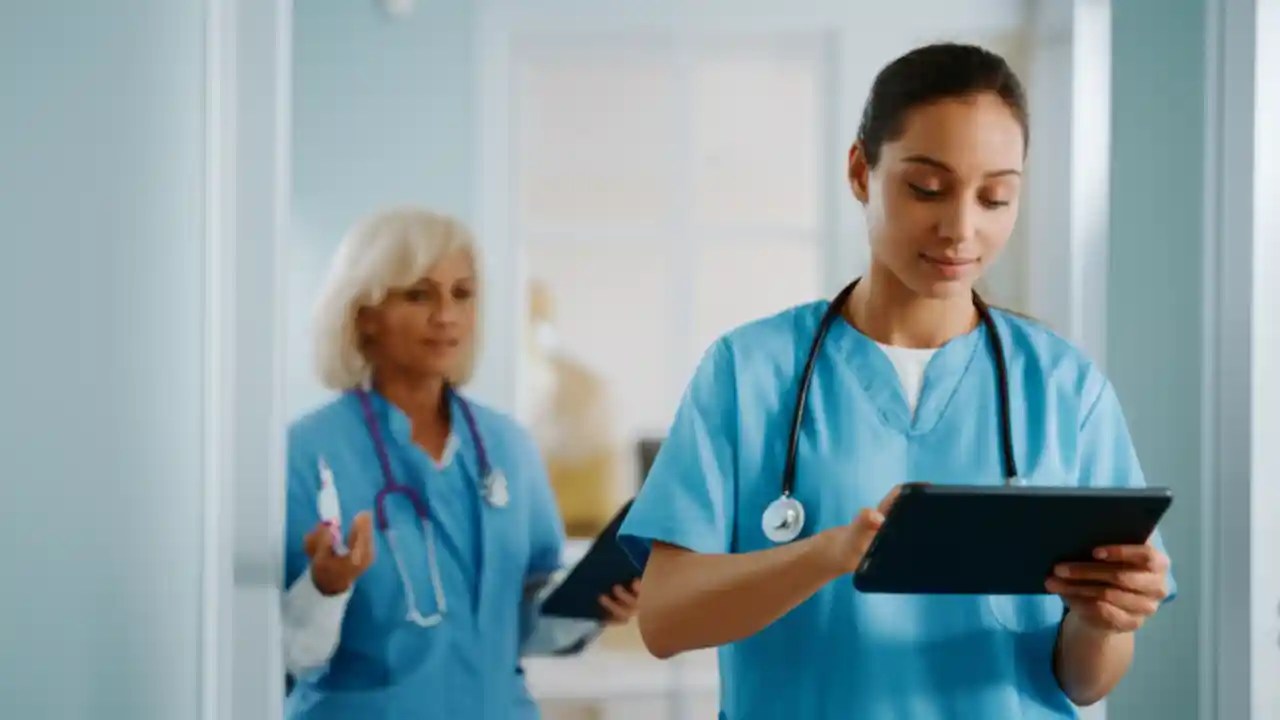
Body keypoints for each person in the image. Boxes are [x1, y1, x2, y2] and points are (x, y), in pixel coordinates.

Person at [616, 42, 1176, 719]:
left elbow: (1085, 683)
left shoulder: (1064, 388)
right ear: (861, 171)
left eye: (995, 197)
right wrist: (829, 554)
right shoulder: (749, 371)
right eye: (927, 189)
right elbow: (665, 620)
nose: (961, 229)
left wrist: (1105, 620)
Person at [281, 207, 641, 719]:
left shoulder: (508, 447)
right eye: (419, 295)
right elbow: (290, 653)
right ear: (364, 314)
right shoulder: (308, 452)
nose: (446, 315)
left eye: (462, 294)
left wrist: (592, 607)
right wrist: (326, 587)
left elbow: (525, 626)